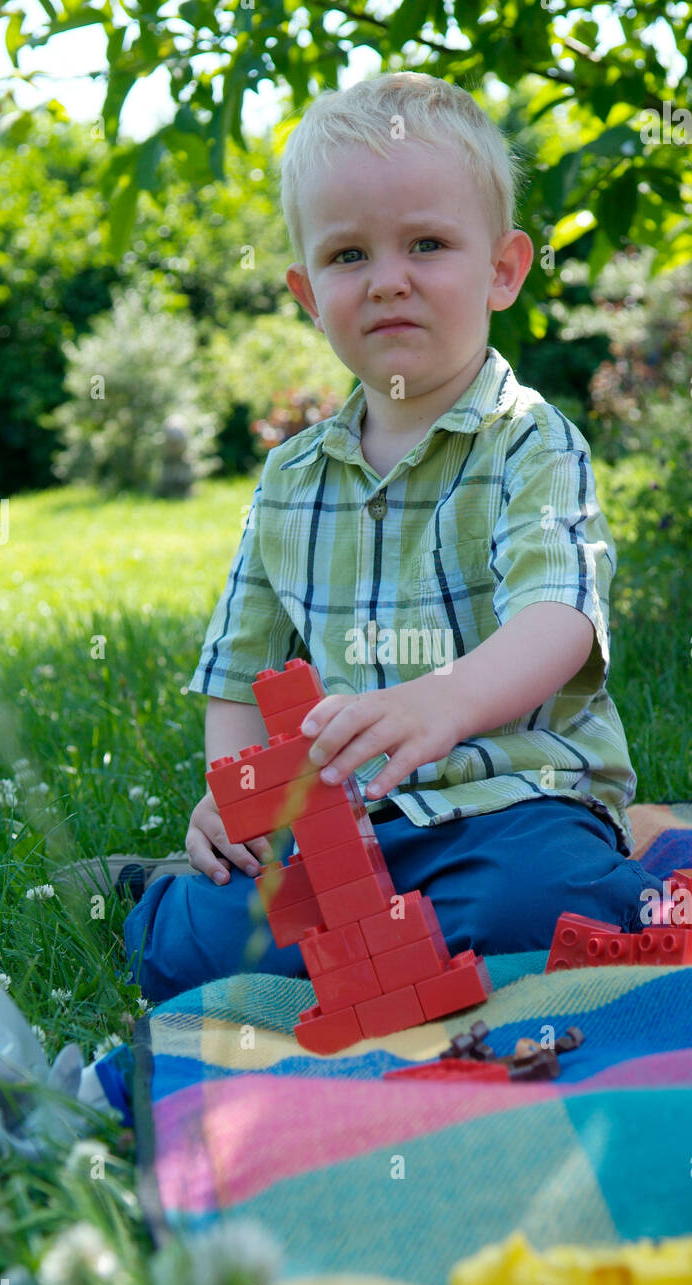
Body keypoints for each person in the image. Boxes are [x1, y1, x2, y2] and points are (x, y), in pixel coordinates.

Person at [124, 71, 664, 1003]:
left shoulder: (531, 443)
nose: (388, 281)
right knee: (194, 945)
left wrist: (443, 701)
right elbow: (239, 674)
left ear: (502, 269)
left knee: (557, 905)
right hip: (343, 827)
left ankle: (398, 948)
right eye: (347, 256)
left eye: (427, 244)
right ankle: (171, 903)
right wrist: (237, 800)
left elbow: (558, 619)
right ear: (306, 291)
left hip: (512, 806)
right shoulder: (291, 481)